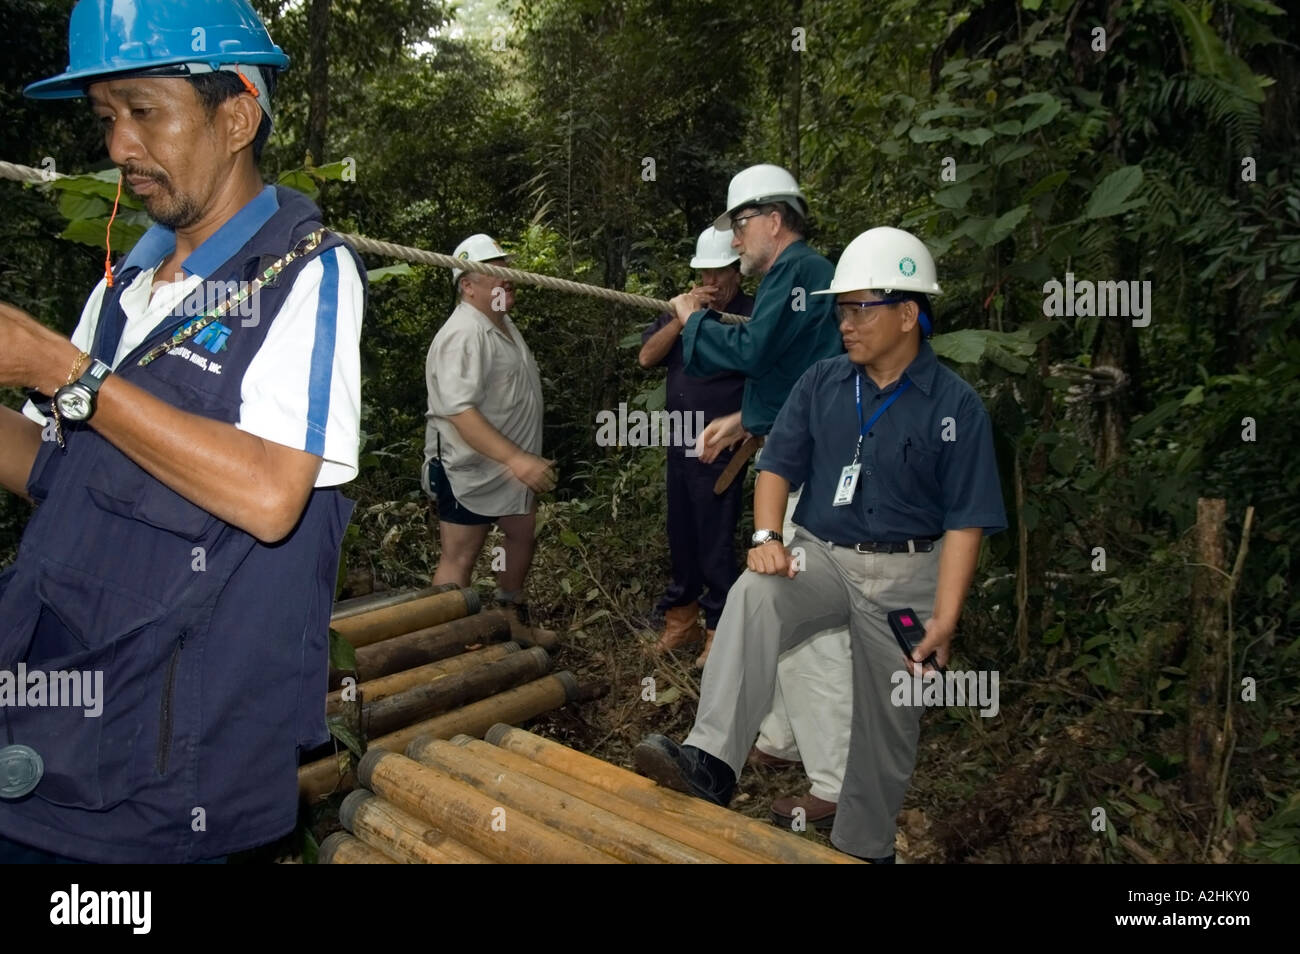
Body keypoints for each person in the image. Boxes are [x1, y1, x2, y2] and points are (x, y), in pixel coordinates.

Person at [0, 0, 366, 862]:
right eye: (105, 118)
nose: (120, 147)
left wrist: (64, 369)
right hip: (56, 720)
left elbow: (273, 495)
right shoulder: (119, 293)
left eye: (144, 111)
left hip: (172, 778)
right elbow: (49, 471)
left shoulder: (305, 275)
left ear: (237, 114)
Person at [634, 227, 1008, 862]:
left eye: (860, 307)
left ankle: (864, 848)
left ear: (908, 313)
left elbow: (965, 521)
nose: (845, 322)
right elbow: (777, 464)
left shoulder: (956, 406)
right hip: (824, 555)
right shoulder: (824, 382)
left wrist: (944, 618)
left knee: (889, 729)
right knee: (757, 591)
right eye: (841, 308)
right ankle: (711, 762)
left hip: (907, 579)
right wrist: (767, 537)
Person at [667, 163, 850, 827]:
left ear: (774, 219)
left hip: (818, 471)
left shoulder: (797, 273)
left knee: (807, 616)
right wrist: (747, 421)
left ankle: (836, 779)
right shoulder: (805, 277)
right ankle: (780, 735)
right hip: (804, 458)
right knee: (786, 610)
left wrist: (693, 321)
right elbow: (795, 370)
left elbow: (752, 347)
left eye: (741, 224)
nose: (737, 240)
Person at [423, 233, 554, 621]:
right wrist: (517, 459)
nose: (506, 276)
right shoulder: (463, 333)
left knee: (520, 535)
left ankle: (508, 617)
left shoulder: (502, 323)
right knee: (460, 555)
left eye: (505, 268)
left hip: (511, 469)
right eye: (493, 271)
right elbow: (460, 413)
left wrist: (519, 461)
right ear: (468, 285)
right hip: (471, 468)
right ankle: (443, 637)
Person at [639, 227, 754, 666]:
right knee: (681, 533)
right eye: (704, 271)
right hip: (679, 442)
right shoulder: (682, 311)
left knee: (715, 539)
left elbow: (766, 374)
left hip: (721, 446)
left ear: (737, 273)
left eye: (720, 272)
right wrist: (681, 318)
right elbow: (647, 357)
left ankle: (718, 628)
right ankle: (681, 618)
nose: (712, 280)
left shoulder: (751, 315)